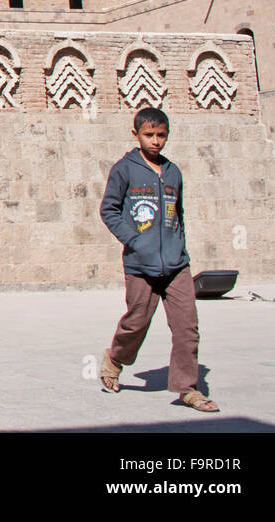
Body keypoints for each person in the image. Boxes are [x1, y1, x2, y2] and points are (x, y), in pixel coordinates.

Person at [97, 107, 218, 413]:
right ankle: (114, 359)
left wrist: (181, 249)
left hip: (176, 264)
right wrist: (135, 241)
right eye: (149, 135)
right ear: (135, 134)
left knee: (187, 326)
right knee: (137, 321)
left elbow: (179, 215)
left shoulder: (173, 171)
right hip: (141, 264)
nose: (155, 141)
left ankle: (187, 388)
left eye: (161, 135)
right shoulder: (124, 169)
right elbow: (108, 209)